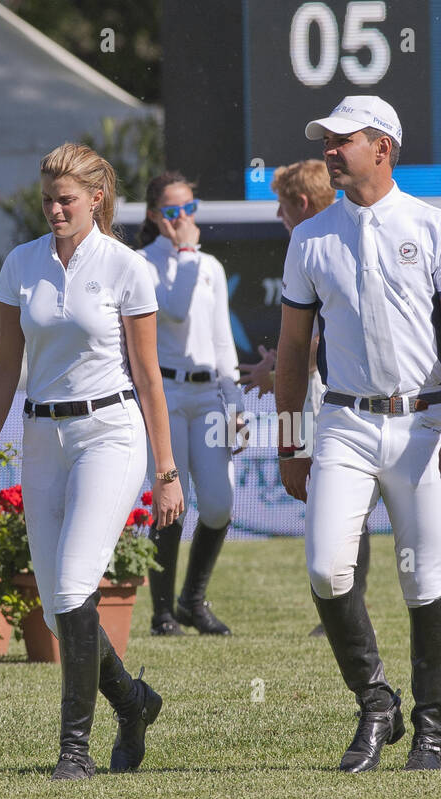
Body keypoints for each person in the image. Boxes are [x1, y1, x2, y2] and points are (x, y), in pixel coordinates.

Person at [276, 96, 441, 773]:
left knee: (426, 581)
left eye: (344, 139)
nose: (331, 150)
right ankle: (375, 703)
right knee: (326, 570)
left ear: (383, 147)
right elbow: (290, 350)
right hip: (343, 421)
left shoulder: (433, 225)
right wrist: (289, 440)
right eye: (328, 140)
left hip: (424, 423)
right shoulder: (310, 236)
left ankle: (431, 733)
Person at [0, 143, 184, 781]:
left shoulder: (126, 268)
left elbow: (149, 378)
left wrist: (166, 471)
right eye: (48, 200)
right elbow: (7, 365)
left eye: (67, 199)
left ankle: (75, 751)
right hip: (42, 438)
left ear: (98, 200)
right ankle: (133, 702)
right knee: (62, 608)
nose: (55, 209)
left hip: (110, 433)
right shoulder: (21, 263)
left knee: (71, 589)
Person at [238, 159, 371, 640]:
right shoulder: (322, 239)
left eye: (280, 204)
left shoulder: (321, 240)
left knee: (342, 504)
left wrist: (277, 370)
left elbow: (324, 341)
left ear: (298, 202)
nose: (277, 215)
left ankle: (346, 606)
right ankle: (346, 603)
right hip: (332, 392)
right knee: (344, 506)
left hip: (342, 397)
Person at [134, 172, 242, 636]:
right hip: (166, 394)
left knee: (219, 504)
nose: (184, 220)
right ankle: (162, 613)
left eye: (190, 210)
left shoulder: (210, 267)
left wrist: (235, 402)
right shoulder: (141, 263)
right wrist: (185, 251)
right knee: (171, 502)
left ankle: (191, 600)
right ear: (156, 216)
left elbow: (222, 340)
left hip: (208, 394)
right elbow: (173, 311)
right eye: (174, 212)